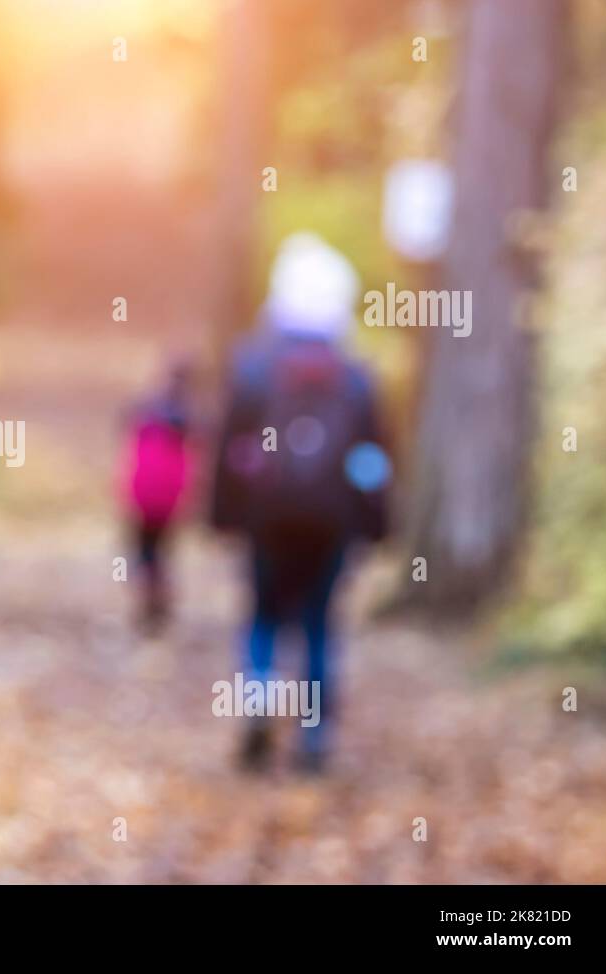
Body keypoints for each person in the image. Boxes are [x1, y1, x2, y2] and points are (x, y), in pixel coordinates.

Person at [210, 233, 390, 773]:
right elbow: (374, 458)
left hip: (267, 518)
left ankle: (259, 703)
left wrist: (222, 517)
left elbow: (228, 449)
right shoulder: (356, 376)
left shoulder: (253, 366)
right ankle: (313, 734)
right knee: (318, 623)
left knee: (263, 615)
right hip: (332, 521)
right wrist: (376, 527)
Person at [121, 361, 201, 632]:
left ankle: (150, 600)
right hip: (169, 499)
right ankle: (157, 600)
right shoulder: (189, 417)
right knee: (161, 552)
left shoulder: (145, 410)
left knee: (145, 551)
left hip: (143, 495)